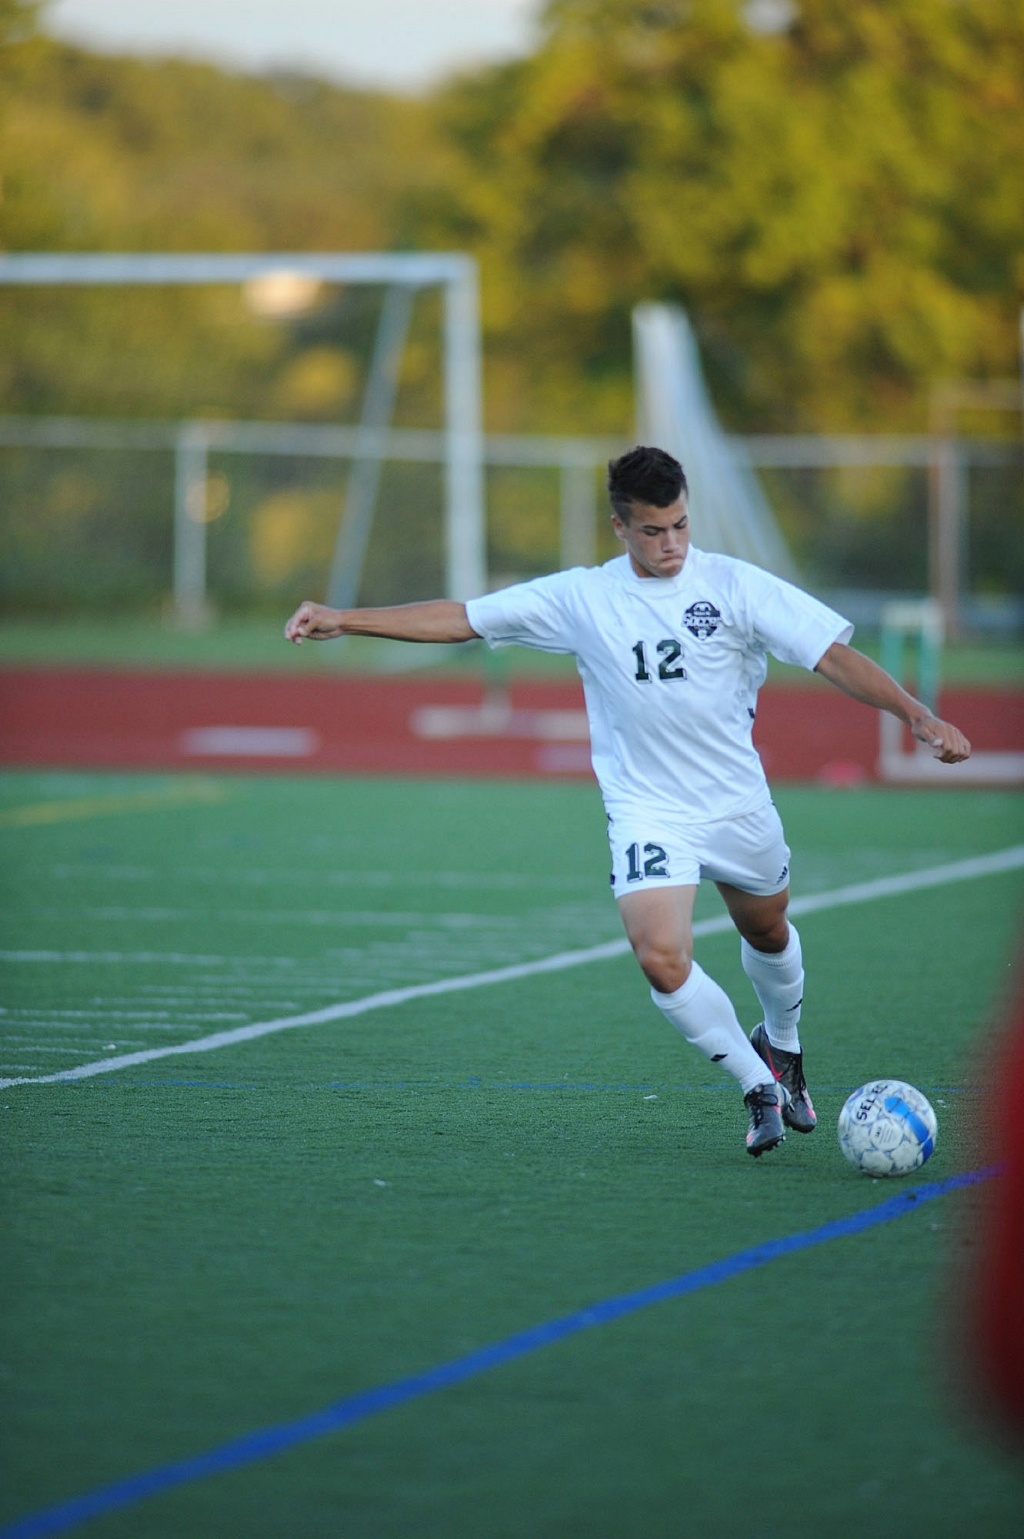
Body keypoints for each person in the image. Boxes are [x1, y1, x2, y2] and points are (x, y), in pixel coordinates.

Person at [285, 445, 971, 1157]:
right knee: (660, 955)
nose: (670, 542)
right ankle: (755, 1081)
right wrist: (347, 618)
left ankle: (784, 1042)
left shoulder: (734, 585)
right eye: (652, 530)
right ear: (620, 527)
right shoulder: (585, 597)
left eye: (679, 525)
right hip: (648, 810)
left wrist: (915, 713)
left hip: (737, 804)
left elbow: (831, 654)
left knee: (767, 930)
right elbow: (463, 617)